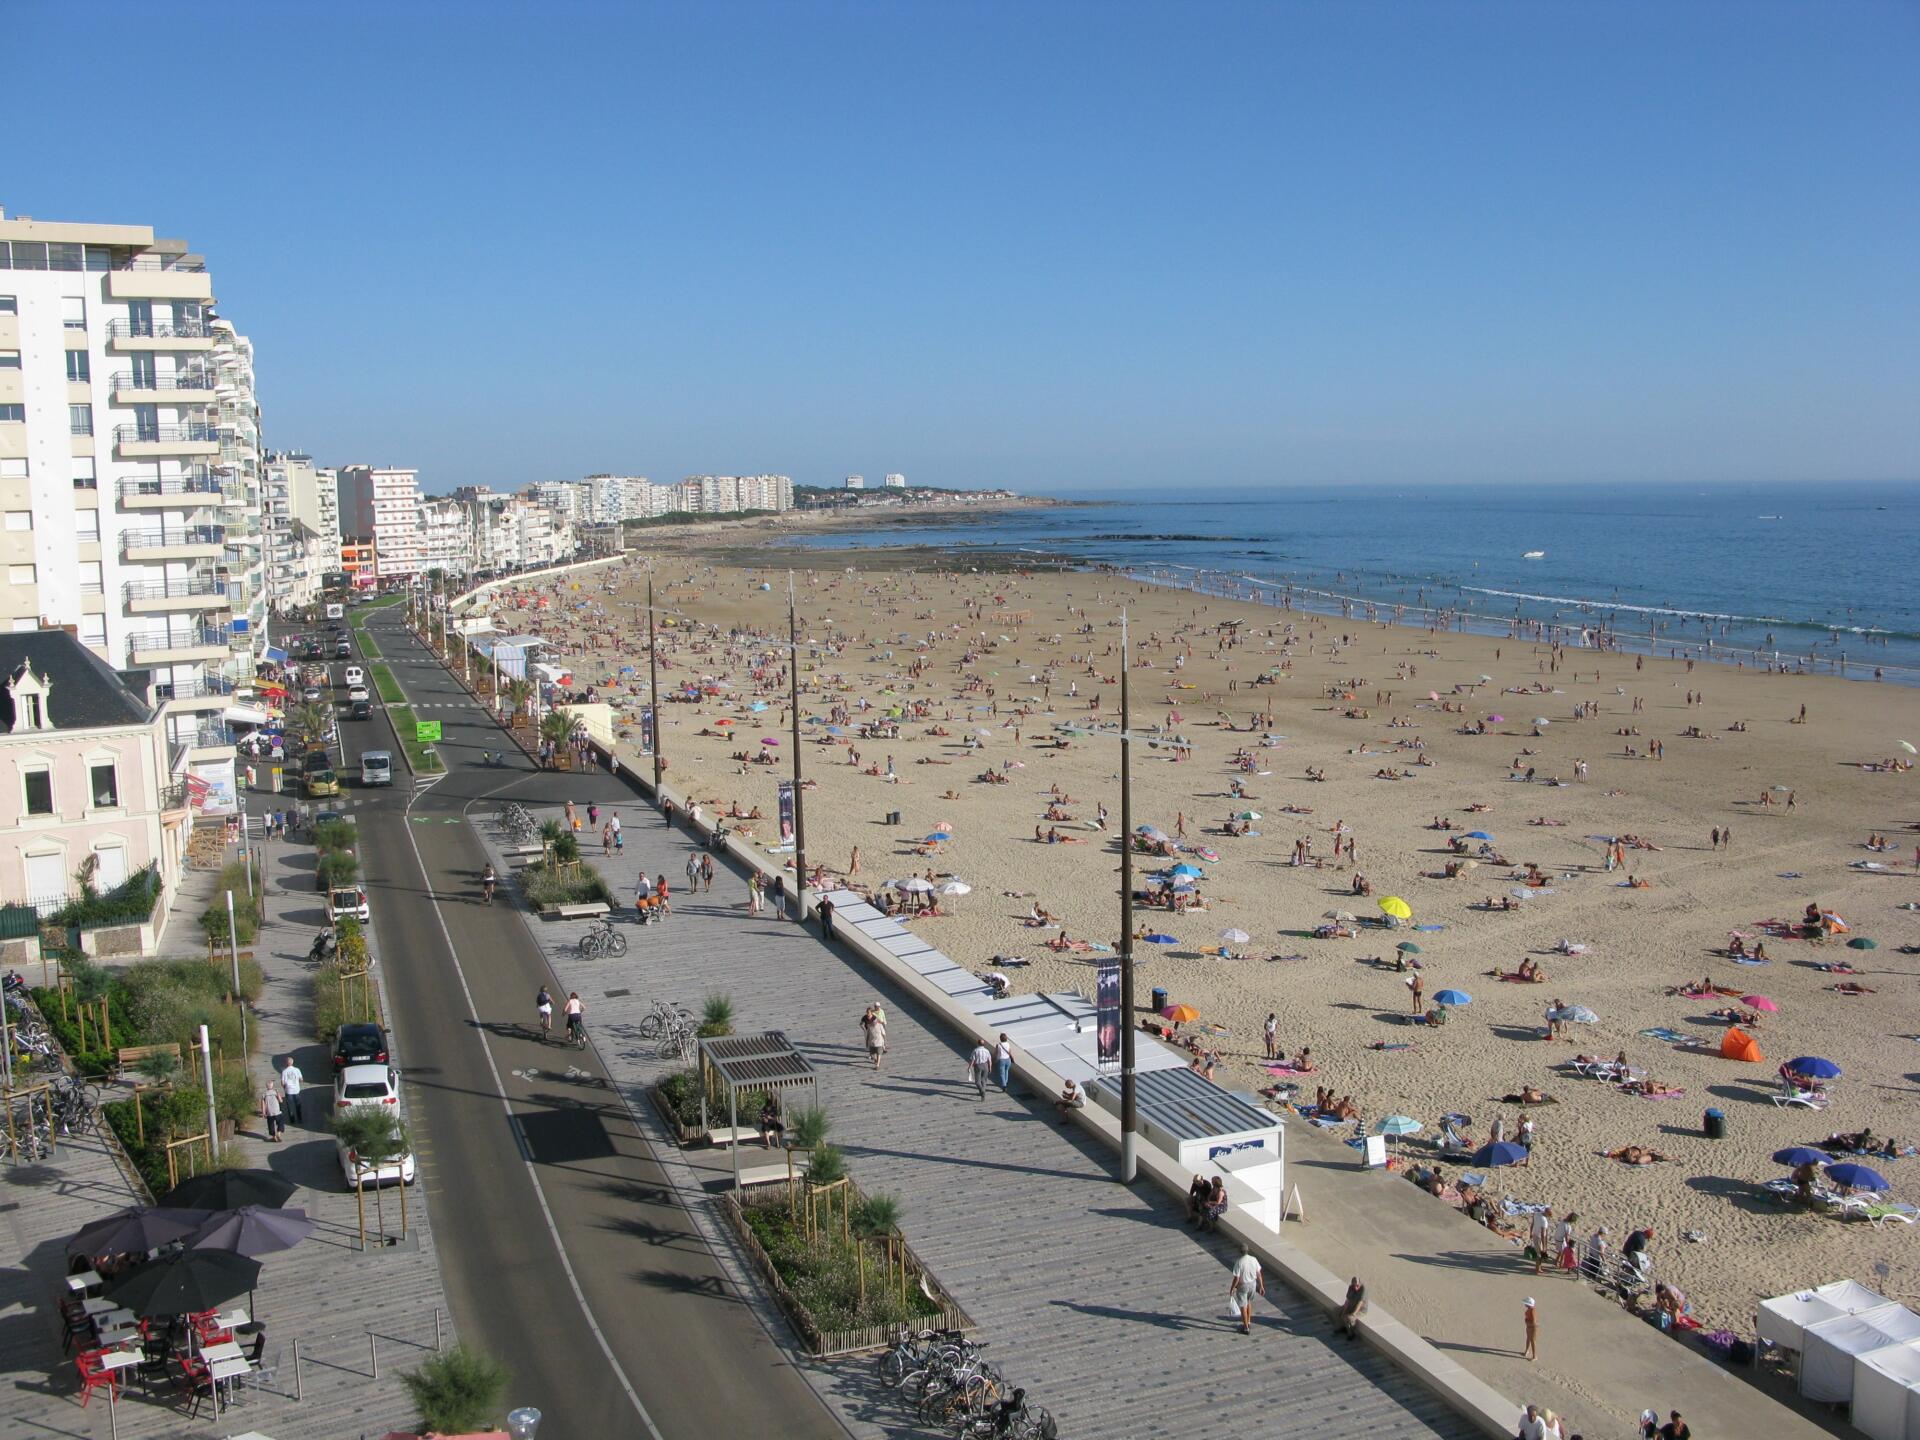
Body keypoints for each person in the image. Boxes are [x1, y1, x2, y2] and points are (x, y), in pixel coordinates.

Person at [1229, 1246, 1265, 1336]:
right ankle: (1248, 1322)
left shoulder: (1239, 1262)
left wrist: (1232, 1288)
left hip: (1243, 1285)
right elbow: (1259, 1274)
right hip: (1253, 1284)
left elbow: (1236, 1278)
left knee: (1243, 1306)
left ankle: (1246, 1328)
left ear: (1240, 1252)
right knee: (1248, 1302)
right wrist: (1261, 1286)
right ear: (1248, 1251)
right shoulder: (1254, 1259)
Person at [279, 1057, 305, 1126]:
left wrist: (285, 1088)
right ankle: (300, 1119)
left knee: (290, 1106)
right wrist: (298, 1082)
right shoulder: (297, 1070)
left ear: (286, 1063)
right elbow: (301, 1079)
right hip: (296, 1090)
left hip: (288, 1091)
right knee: (298, 1105)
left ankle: (292, 1120)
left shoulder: (284, 1071)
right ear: (292, 1062)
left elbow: (282, 1082)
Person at [1523, 1296, 1539, 1361]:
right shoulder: (1530, 1309)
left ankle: (1535, 1356)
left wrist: (1528, 1323)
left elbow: (1534, 1322)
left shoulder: (1533, 1311)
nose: (1524, 1304)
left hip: (1533, 1328)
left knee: (1533, 1341)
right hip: (1529, 1327)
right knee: (1528, 1338)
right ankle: (1527, 1351)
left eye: (1525, 1303)